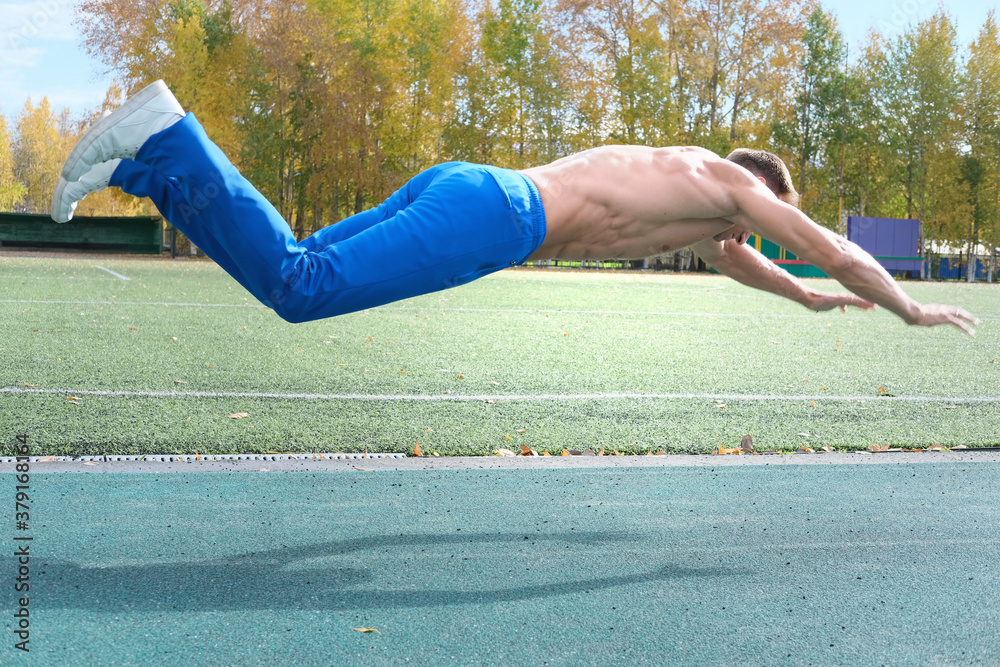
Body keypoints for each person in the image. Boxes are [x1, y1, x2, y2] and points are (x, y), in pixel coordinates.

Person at [53, 80, 979, 335]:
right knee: (301, 288)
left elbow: (759, 266)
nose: (756, 238)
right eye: (773, 217)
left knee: (295, 258)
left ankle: (147, 164)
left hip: (476, 188)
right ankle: (170, 136)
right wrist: (908, 304)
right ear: (764, 190)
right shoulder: (729, 188)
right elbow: (832, 247)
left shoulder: (706, 216)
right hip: (499, 217)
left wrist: (812, 299)